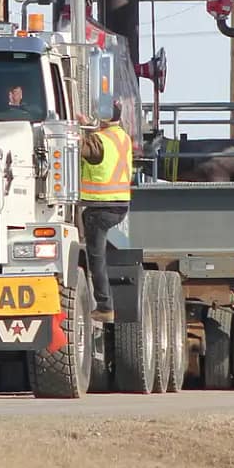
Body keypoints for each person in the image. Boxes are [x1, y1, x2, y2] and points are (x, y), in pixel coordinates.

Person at [78, 100, 135, 322]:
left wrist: (76, 129)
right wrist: (89, 127)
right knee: (97, 250)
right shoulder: (122, 137)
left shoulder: (100, 141)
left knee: (97, 258)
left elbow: (83, 149)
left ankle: (105, 306)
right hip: (120, 204)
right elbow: (101, 147)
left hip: (101, 205)